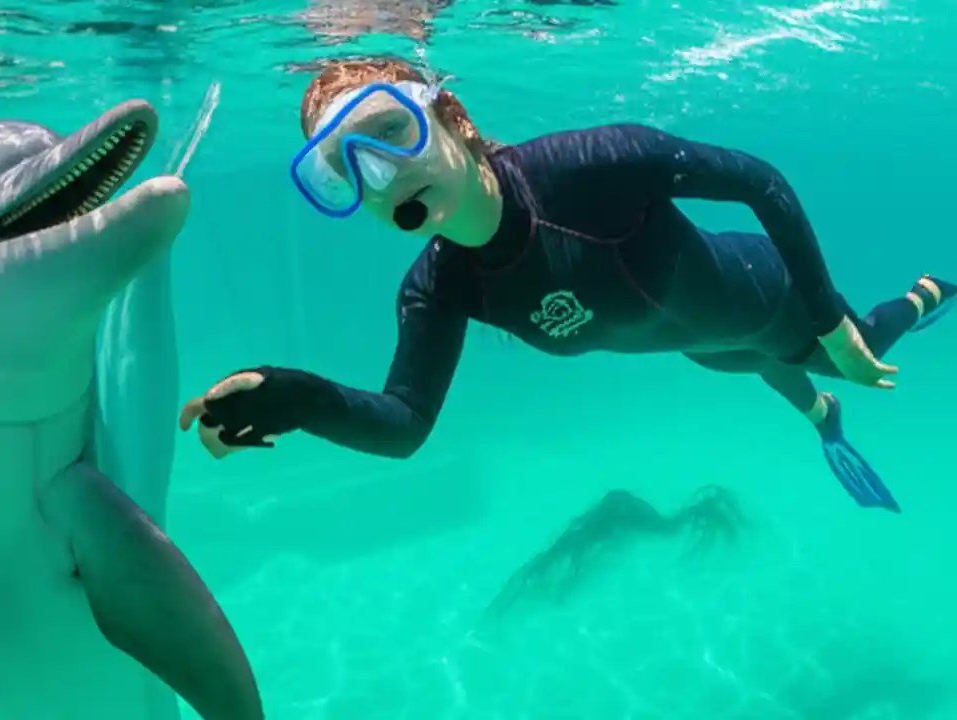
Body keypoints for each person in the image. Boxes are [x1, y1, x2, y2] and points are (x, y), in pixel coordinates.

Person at [178, 56, 954, 513]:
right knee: (742, 360)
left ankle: (929, 292)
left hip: (768, 293)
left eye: (387, 131)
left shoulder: (589, 168)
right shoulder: (438, 288)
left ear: (454, 116)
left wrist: (827, 320)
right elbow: (405, 425)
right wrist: (300, 397)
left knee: (858, 344)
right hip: (700, 346)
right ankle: (822, 410)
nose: (377, 177)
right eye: (340, 168)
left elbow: (762, 182)